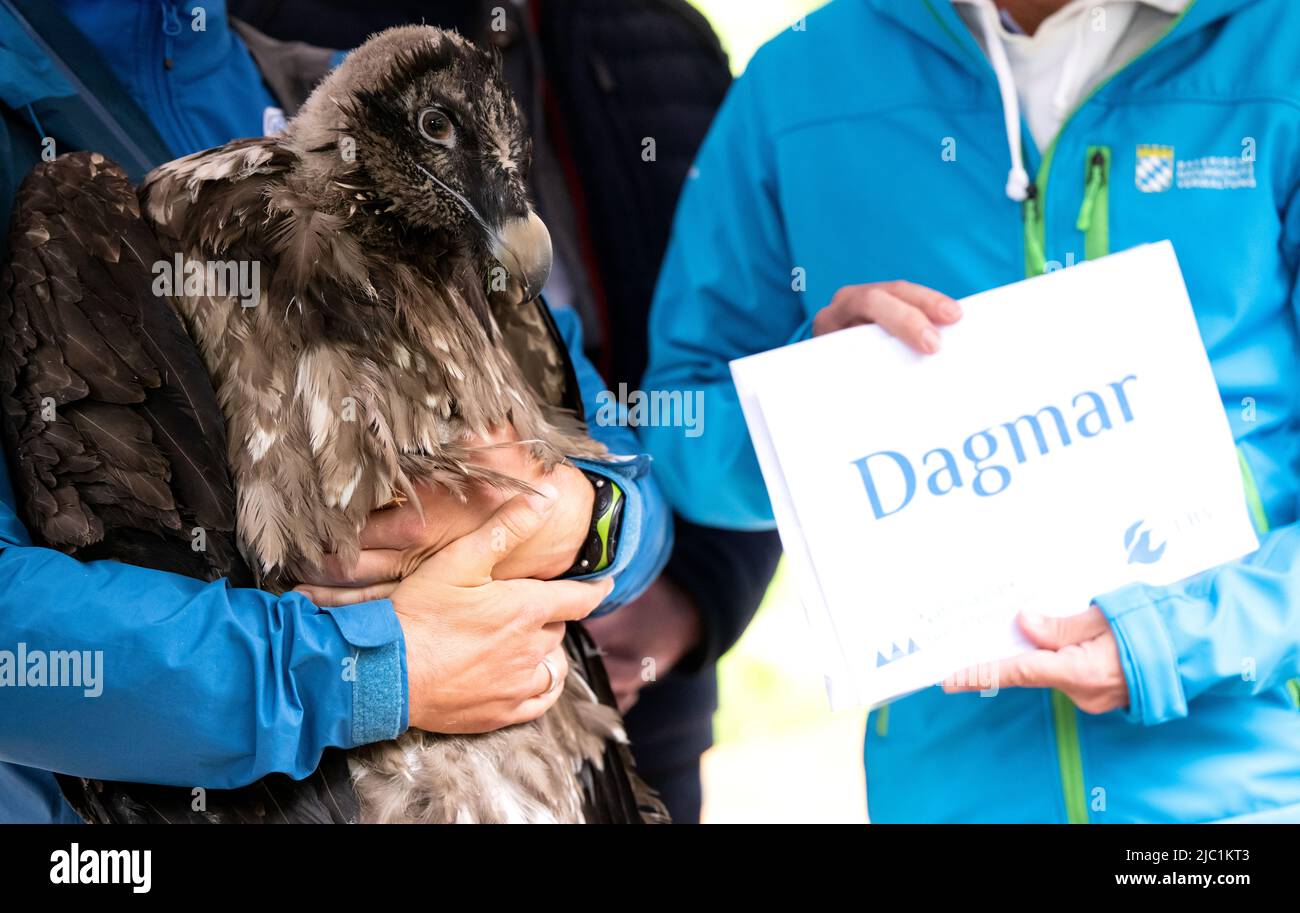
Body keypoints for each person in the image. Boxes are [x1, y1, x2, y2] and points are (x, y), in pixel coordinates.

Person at [0, 0, 670, 823]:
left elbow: (629, 482)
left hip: (535, 771)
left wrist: (580, 516)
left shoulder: (318, 80)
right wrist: (370, 669)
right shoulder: (34, 129)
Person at [643, 0, 1300, 823]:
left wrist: (1175, 639)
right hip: (942, 796)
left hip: (1250, 798)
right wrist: (810, 405)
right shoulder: (799, 80)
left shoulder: (1280, 51)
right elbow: (678, 424)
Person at [228, 0, 785, 823]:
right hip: (368, 726)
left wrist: (694, 592)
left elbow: (747, 350)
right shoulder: (257, 29)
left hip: (637, 696)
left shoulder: (665, 40)